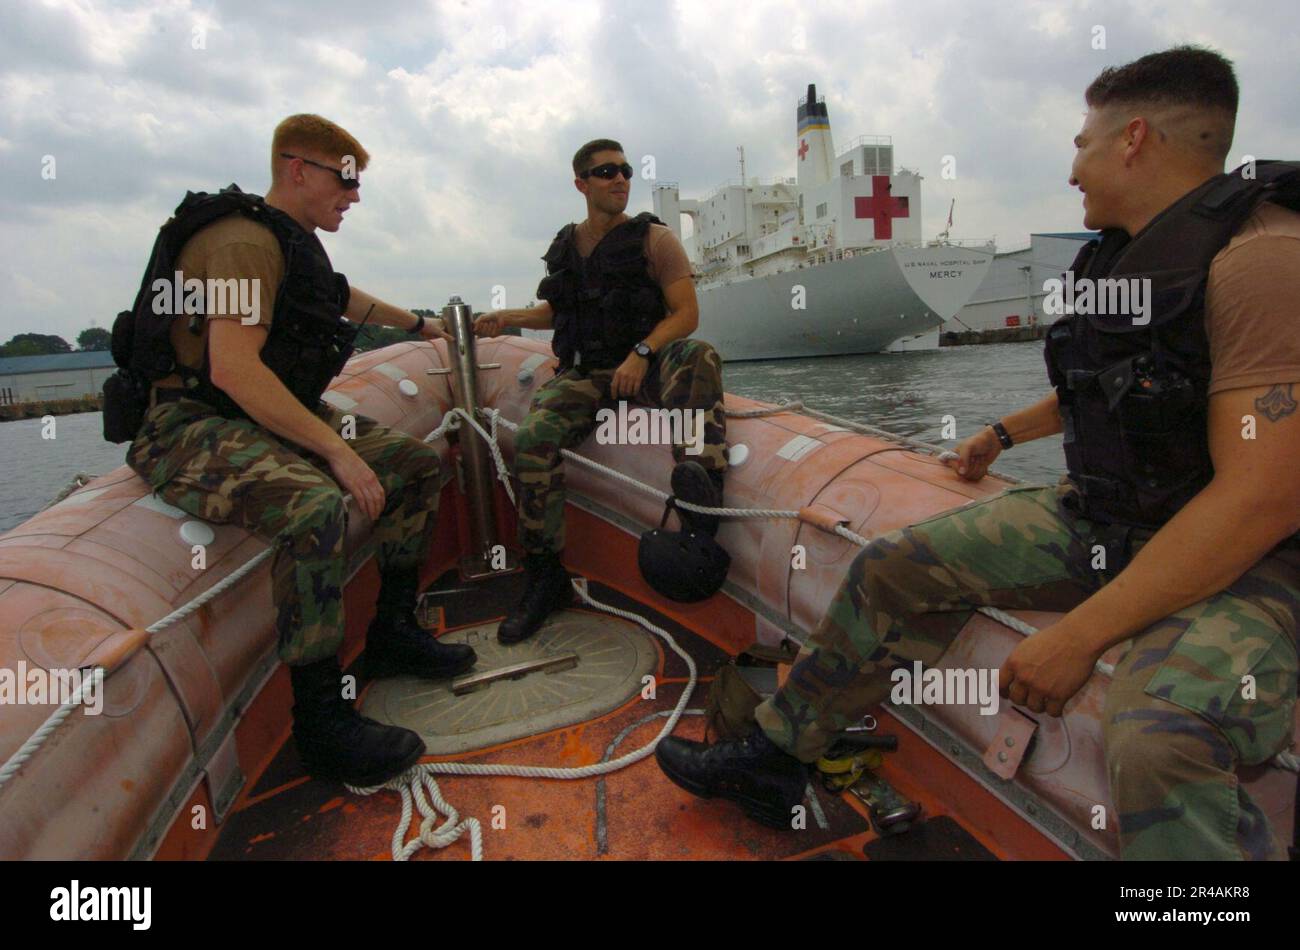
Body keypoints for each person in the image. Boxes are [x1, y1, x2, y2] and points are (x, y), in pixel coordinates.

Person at [655, 46, 1300, 860]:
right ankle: (780, 756)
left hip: (1253, 560)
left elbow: (1263, 498)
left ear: (1134, 138)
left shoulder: (1262, 261)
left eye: (1083, 144)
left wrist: (1081, 635)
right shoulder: (1137, 252)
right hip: (1114, 518)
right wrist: (1000, 437)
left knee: (1159, 735)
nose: (1072, 168)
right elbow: (1115, 388)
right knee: (893, 566)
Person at [122, 114, 476, 788]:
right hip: (191, 421)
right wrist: (338, 454)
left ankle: (392, 632)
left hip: (267, 412)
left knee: (414, 467)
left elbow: (339, 298)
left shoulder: (292, 240)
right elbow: (233, 368)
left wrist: (420, 324)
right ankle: (320, 721)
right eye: (345, 179)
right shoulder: (241, 243)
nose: (355, 195)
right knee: (313, 507)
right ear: (297, 169)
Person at [473, 139, 729, 644]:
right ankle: (545, 578)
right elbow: (557, 311)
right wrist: (508, 317)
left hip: (646, 363)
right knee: (534, 438)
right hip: (589, 371)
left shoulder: (655, 240)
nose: (620, 179)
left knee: (697, 354)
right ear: (581, 184)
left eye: (626, 170)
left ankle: (701, 499)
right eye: (607, 172)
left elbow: (686, 314)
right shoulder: (568, 247)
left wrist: (642, 352)